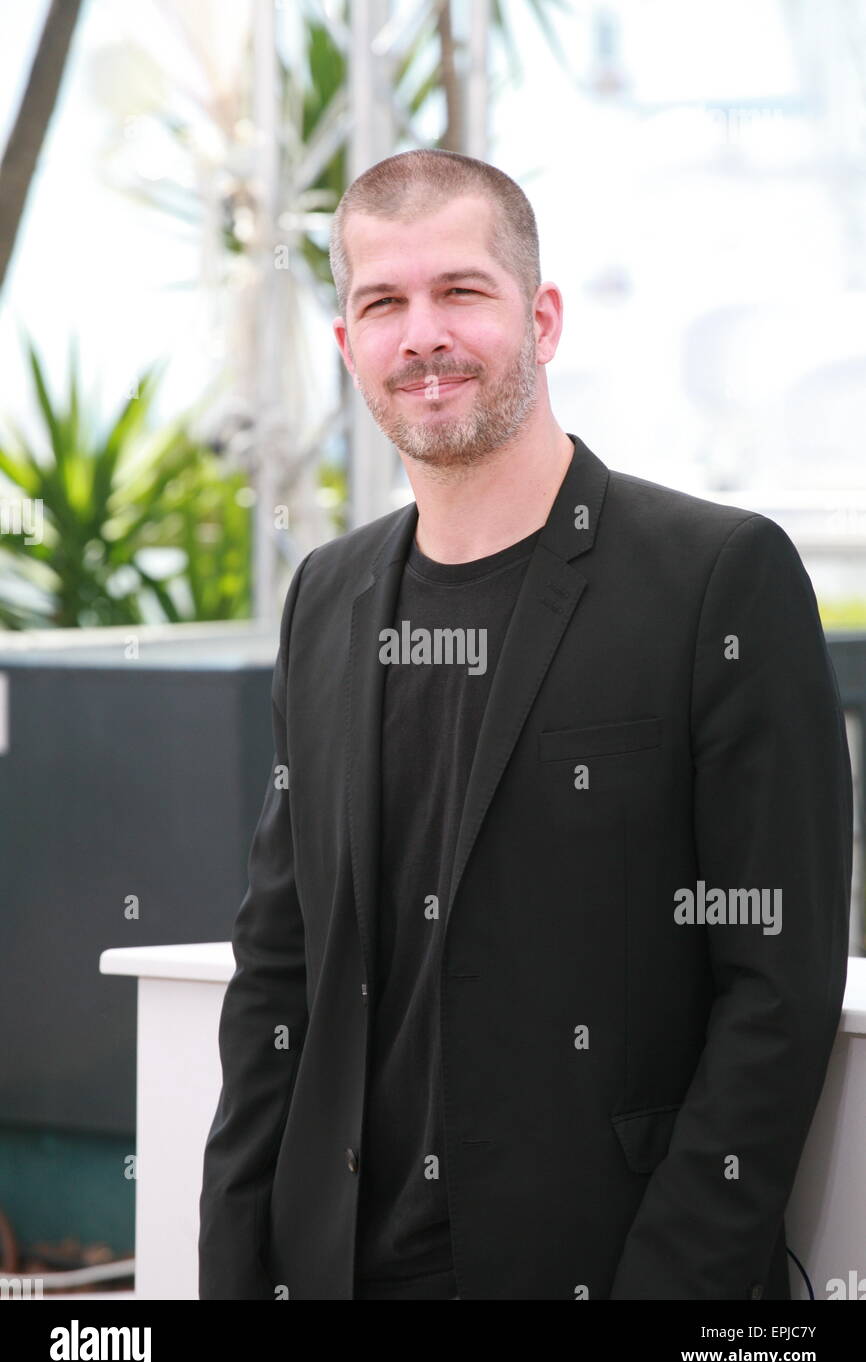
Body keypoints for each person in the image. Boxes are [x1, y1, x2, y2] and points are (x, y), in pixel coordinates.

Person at [198, 149, 852, 1301]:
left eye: (460, 291)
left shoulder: (715, 579)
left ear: (540, 317)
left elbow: (774, 986)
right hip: (339, 1267)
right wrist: (232, 1267)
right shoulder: (326, 599)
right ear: (347, 344)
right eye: (381, 303)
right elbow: (281, 969)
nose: (421, 337)